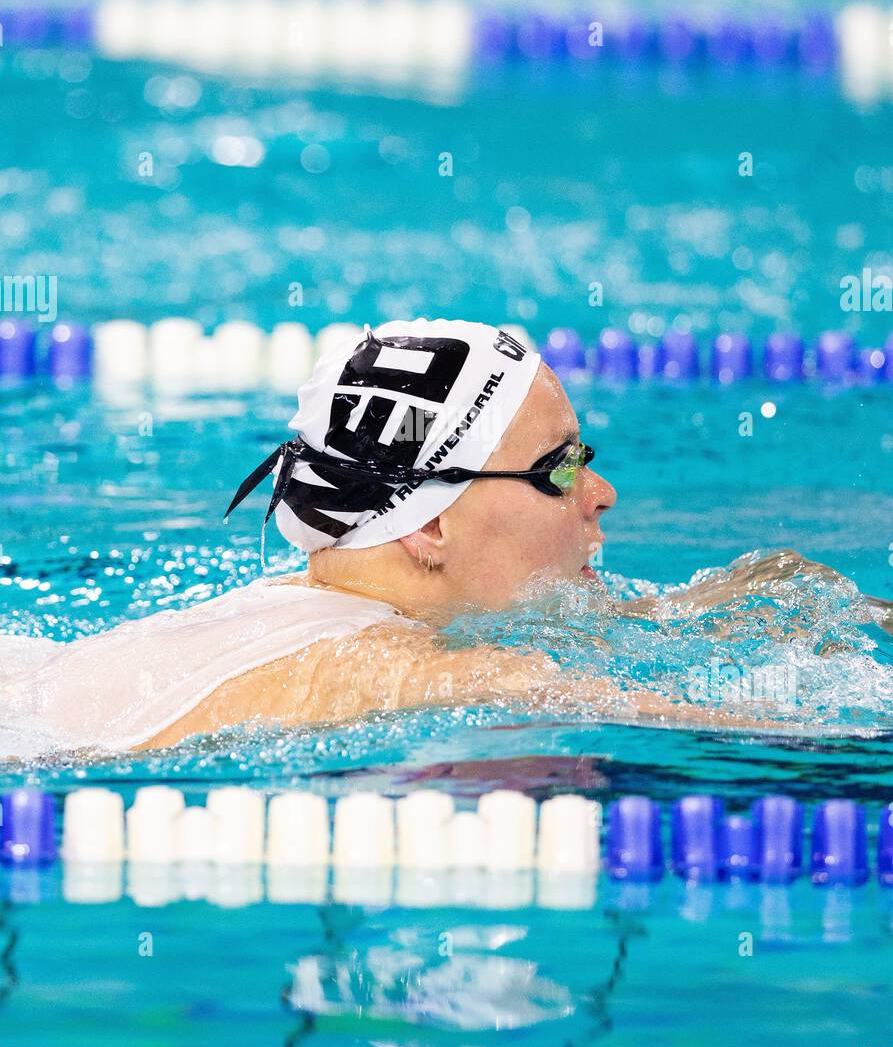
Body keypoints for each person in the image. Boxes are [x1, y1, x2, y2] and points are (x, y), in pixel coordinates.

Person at [1, 318, 882, 758]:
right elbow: (775, 734)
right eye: (559, 470)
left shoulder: (323, 606)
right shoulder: (407, 669)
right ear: (426, 526)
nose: (601, 496)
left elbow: (643, 621)